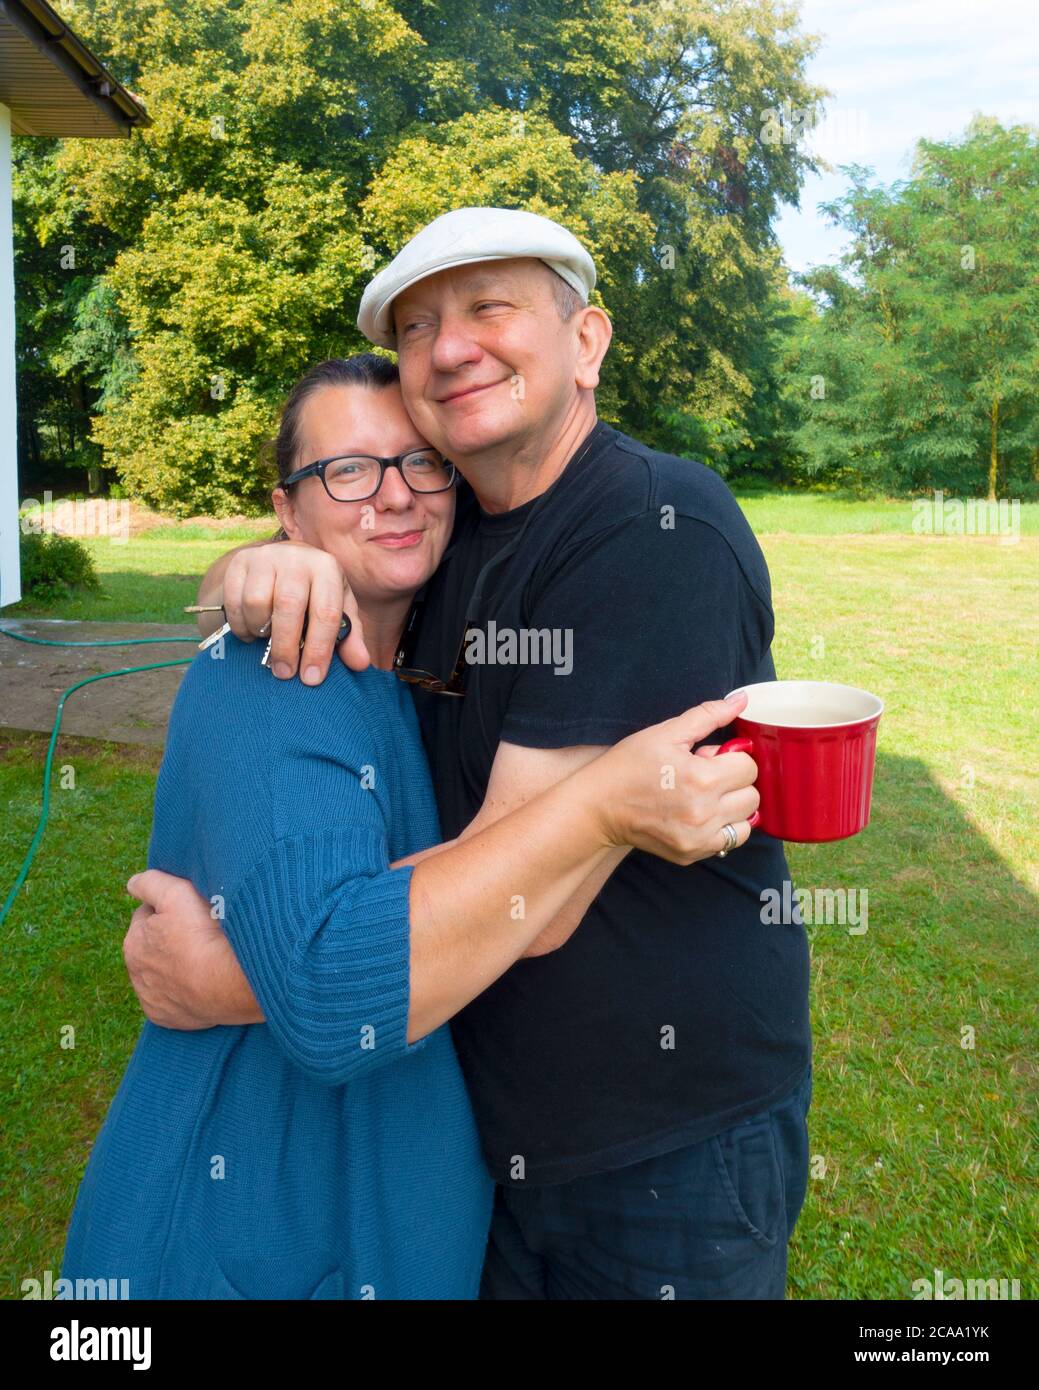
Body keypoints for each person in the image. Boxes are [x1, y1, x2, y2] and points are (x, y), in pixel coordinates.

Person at [123, 207, 812, 1300]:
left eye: (490, 307)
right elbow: (349, 540)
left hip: (660, 1152)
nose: (449, 346)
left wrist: (243, 973)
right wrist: (253, 566)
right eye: (420, 326)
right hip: (494, 1136)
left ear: (586, 342)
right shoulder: (457, 538)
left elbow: (523, 898)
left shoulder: (647, 526)